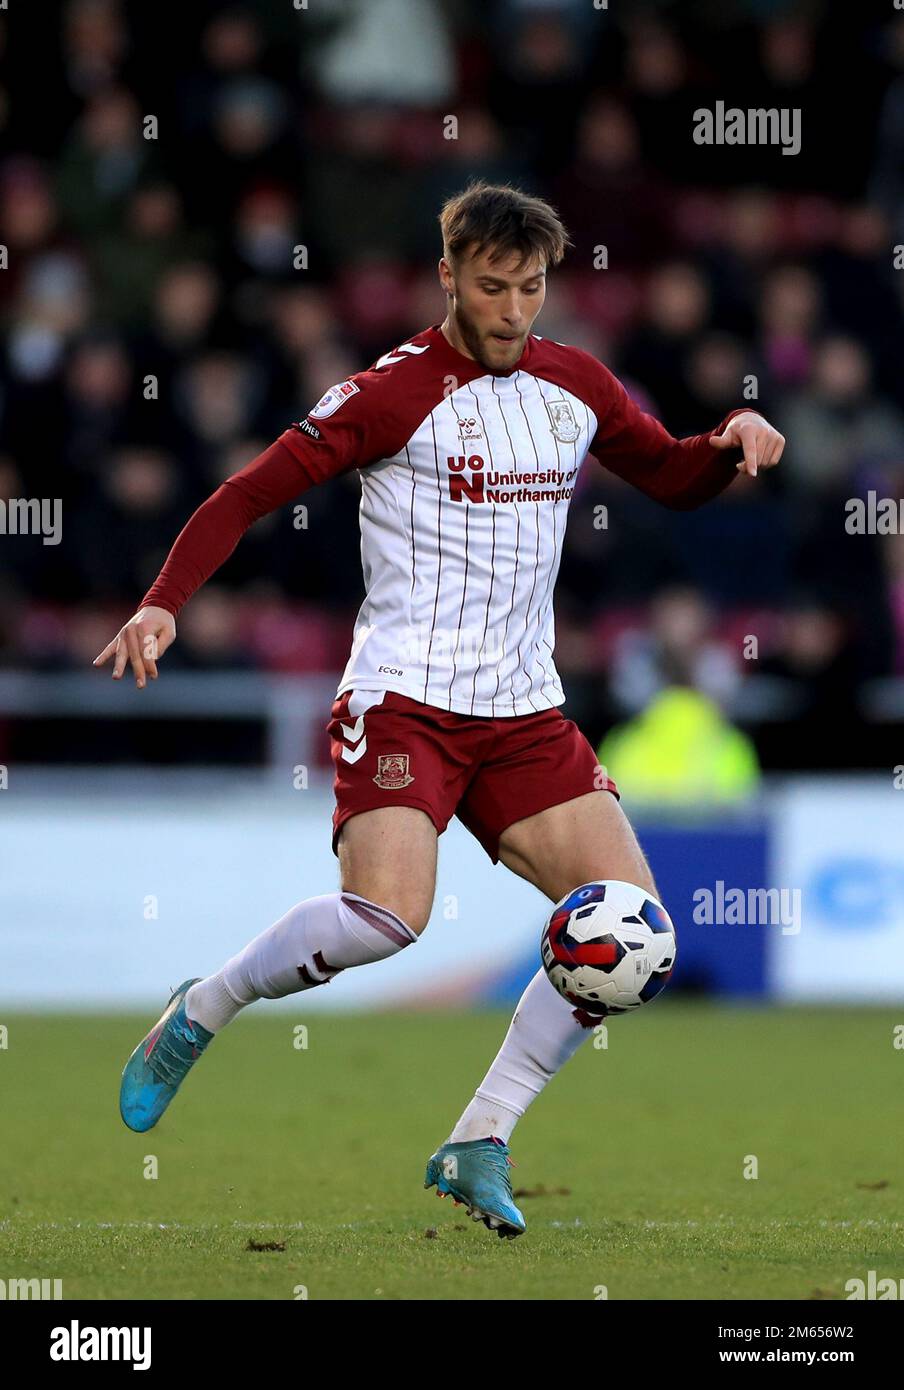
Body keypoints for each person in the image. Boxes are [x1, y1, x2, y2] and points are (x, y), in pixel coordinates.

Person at [94, 182, 785, 1238]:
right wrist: (162, 603)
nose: (513, 310)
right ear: (449, 276)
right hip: (405, 699)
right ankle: (205, 1007)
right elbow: (245, 493)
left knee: (637, 940)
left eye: (532, 288)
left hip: (523, 711)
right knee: (388, 919)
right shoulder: (392, 392)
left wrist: (729, 439)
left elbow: (670, 475)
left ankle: (480, 1137)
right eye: (494, 286)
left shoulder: (575, 384)